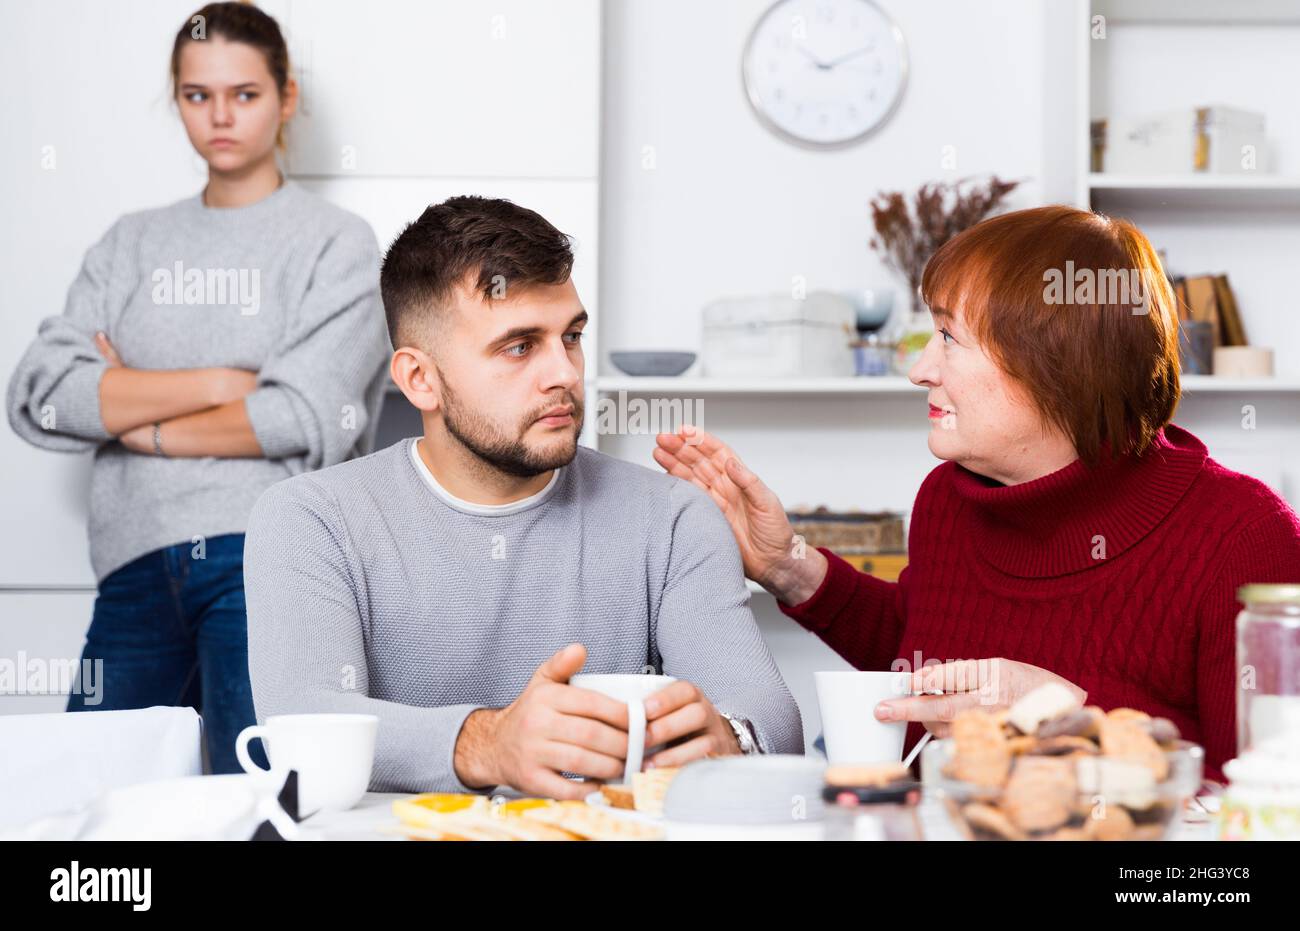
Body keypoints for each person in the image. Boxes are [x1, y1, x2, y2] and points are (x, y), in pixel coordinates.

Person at [653, 204, 1300, 782]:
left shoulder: (1244, 537)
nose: (919, 369)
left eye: (948, 337)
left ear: (1056, 363)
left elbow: (1264, 801)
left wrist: (1066, 713)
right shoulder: (948, 500)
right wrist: (785, 565)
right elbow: (924, 653)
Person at [243, 195, 803, 799]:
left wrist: (730, 738)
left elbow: (767, 714)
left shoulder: (671, 516)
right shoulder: (310, 518)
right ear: (418, 379)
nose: (563, 372)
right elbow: (302, 720)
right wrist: (487, 743)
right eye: (520, 346)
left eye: (572, 336)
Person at [5, 2, 391, 773]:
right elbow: (41, 394)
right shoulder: (129, 242)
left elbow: (302, 412)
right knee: (93, 800)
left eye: (245, 94)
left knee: (268, 798)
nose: (220, 116)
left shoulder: (336, 244)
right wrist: (220, 381)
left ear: (287, 99)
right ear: (176, 98)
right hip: (133, 564)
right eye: (196, 94)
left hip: (263, 556)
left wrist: (127, 407)